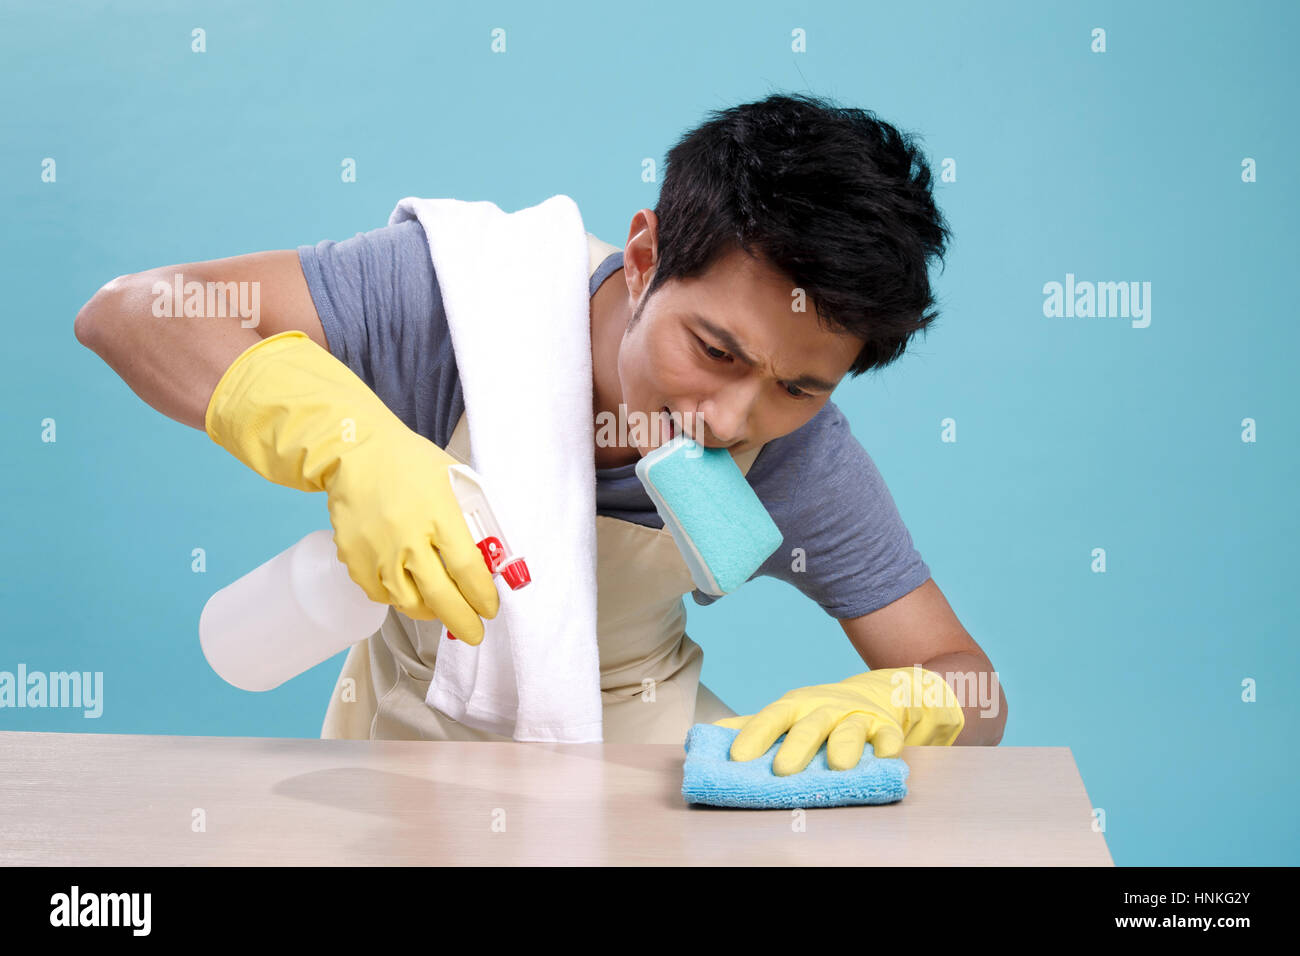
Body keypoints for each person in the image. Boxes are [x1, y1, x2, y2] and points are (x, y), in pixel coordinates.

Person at [74, 92, 1006, 771]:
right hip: (404, 736)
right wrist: (349, 439)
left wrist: (916, 698)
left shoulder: (801, 457)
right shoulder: (467, 303)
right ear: (644, 259)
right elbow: (132, 311)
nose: (731, 421)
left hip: (635, 756)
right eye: (715, 349)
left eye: (800, 386)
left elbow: (973, 682)